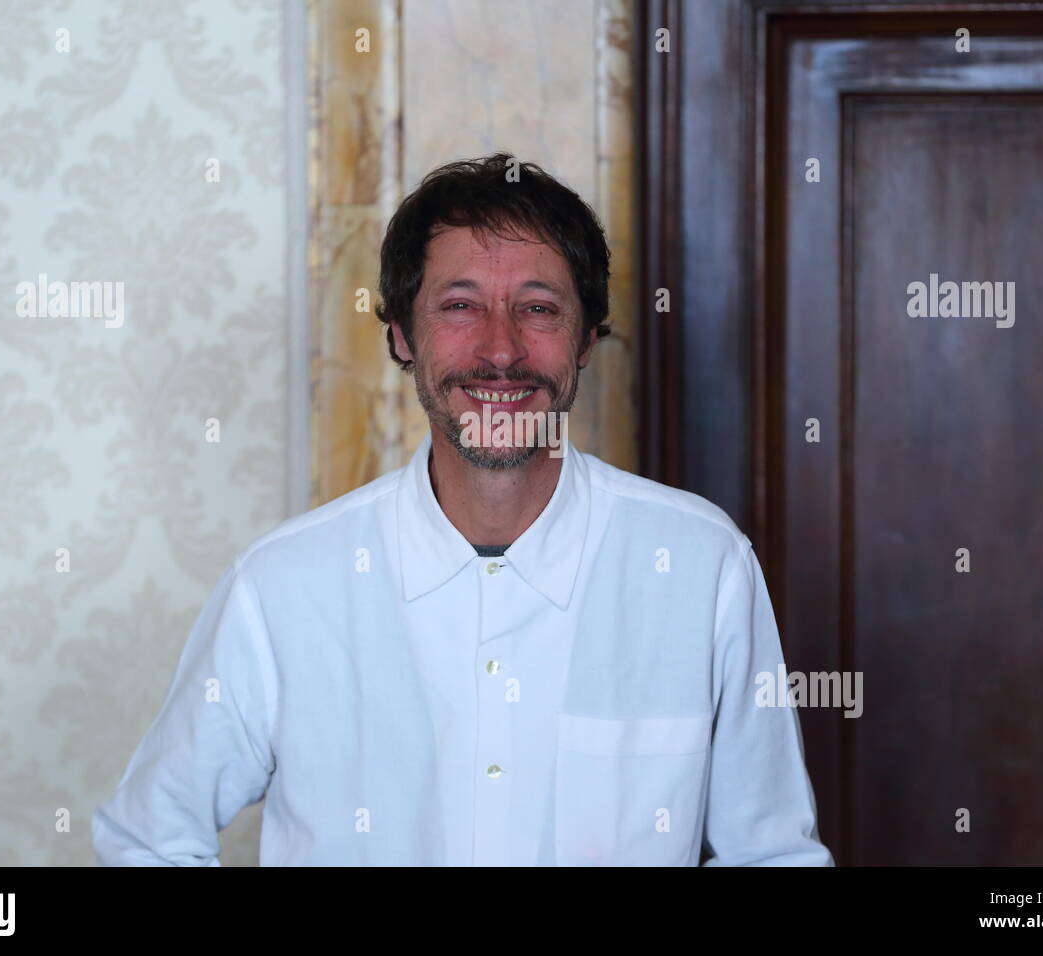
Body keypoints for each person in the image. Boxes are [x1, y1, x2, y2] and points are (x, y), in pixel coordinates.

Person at [92, 153, 833, 866]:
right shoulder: (283, 586)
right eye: (460, 306)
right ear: (401, 337)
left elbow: (769, 855)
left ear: (586, 342)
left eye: (538, 308)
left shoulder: (702, 568)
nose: (501, 349)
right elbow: (148, 839)